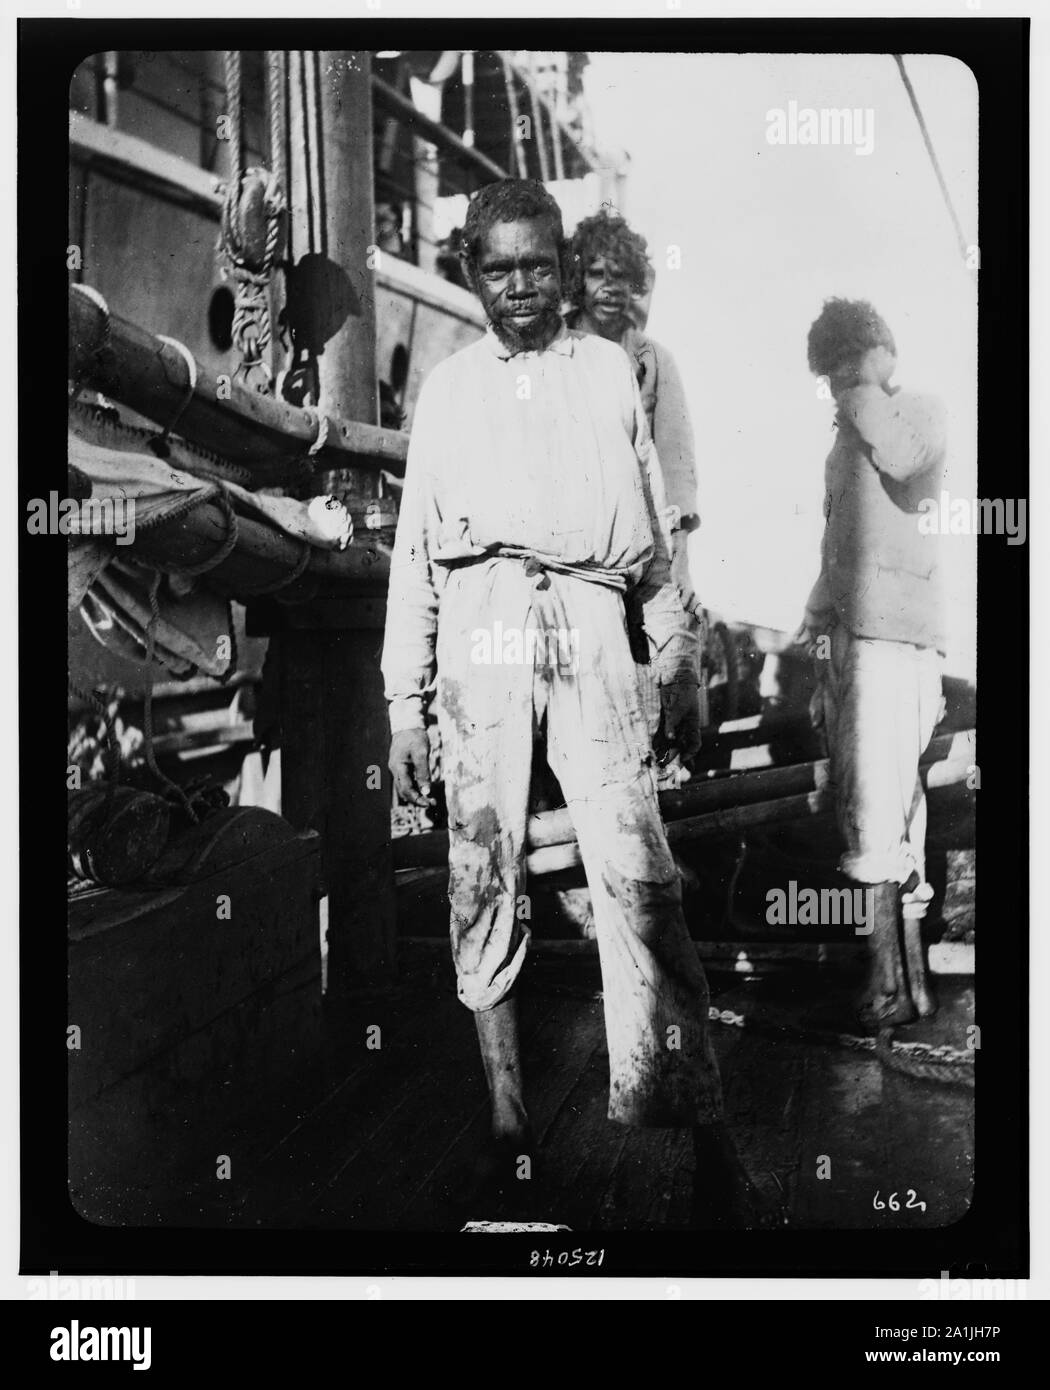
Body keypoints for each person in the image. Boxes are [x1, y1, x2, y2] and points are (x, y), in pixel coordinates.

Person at [382, 178, 768, 1225]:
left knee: (641, 880)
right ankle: (511, 1130)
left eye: (537, 267)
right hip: (480, 625)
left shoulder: (609, 373)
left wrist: (678, 659)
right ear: (470, 273)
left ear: (563, 271)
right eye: (497, 269)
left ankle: (702, 1127)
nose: (519, 288)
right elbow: (415, 556)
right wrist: (402, 706)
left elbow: (655, 553)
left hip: (594, 626)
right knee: (481, 874)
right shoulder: (451, 391)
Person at [798, 297, 947, 1027]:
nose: (839, 384)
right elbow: (839, 546)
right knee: (893, 814)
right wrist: (814, 619)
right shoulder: (847, 438)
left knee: (878, 819)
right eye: (831, 373)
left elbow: (905, 456)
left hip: (894, 651)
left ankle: (887, 985)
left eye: (849, 364)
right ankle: (911, 986)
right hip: (864, 643)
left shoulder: (912, 411)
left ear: (883, 355)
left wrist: (859, 387)